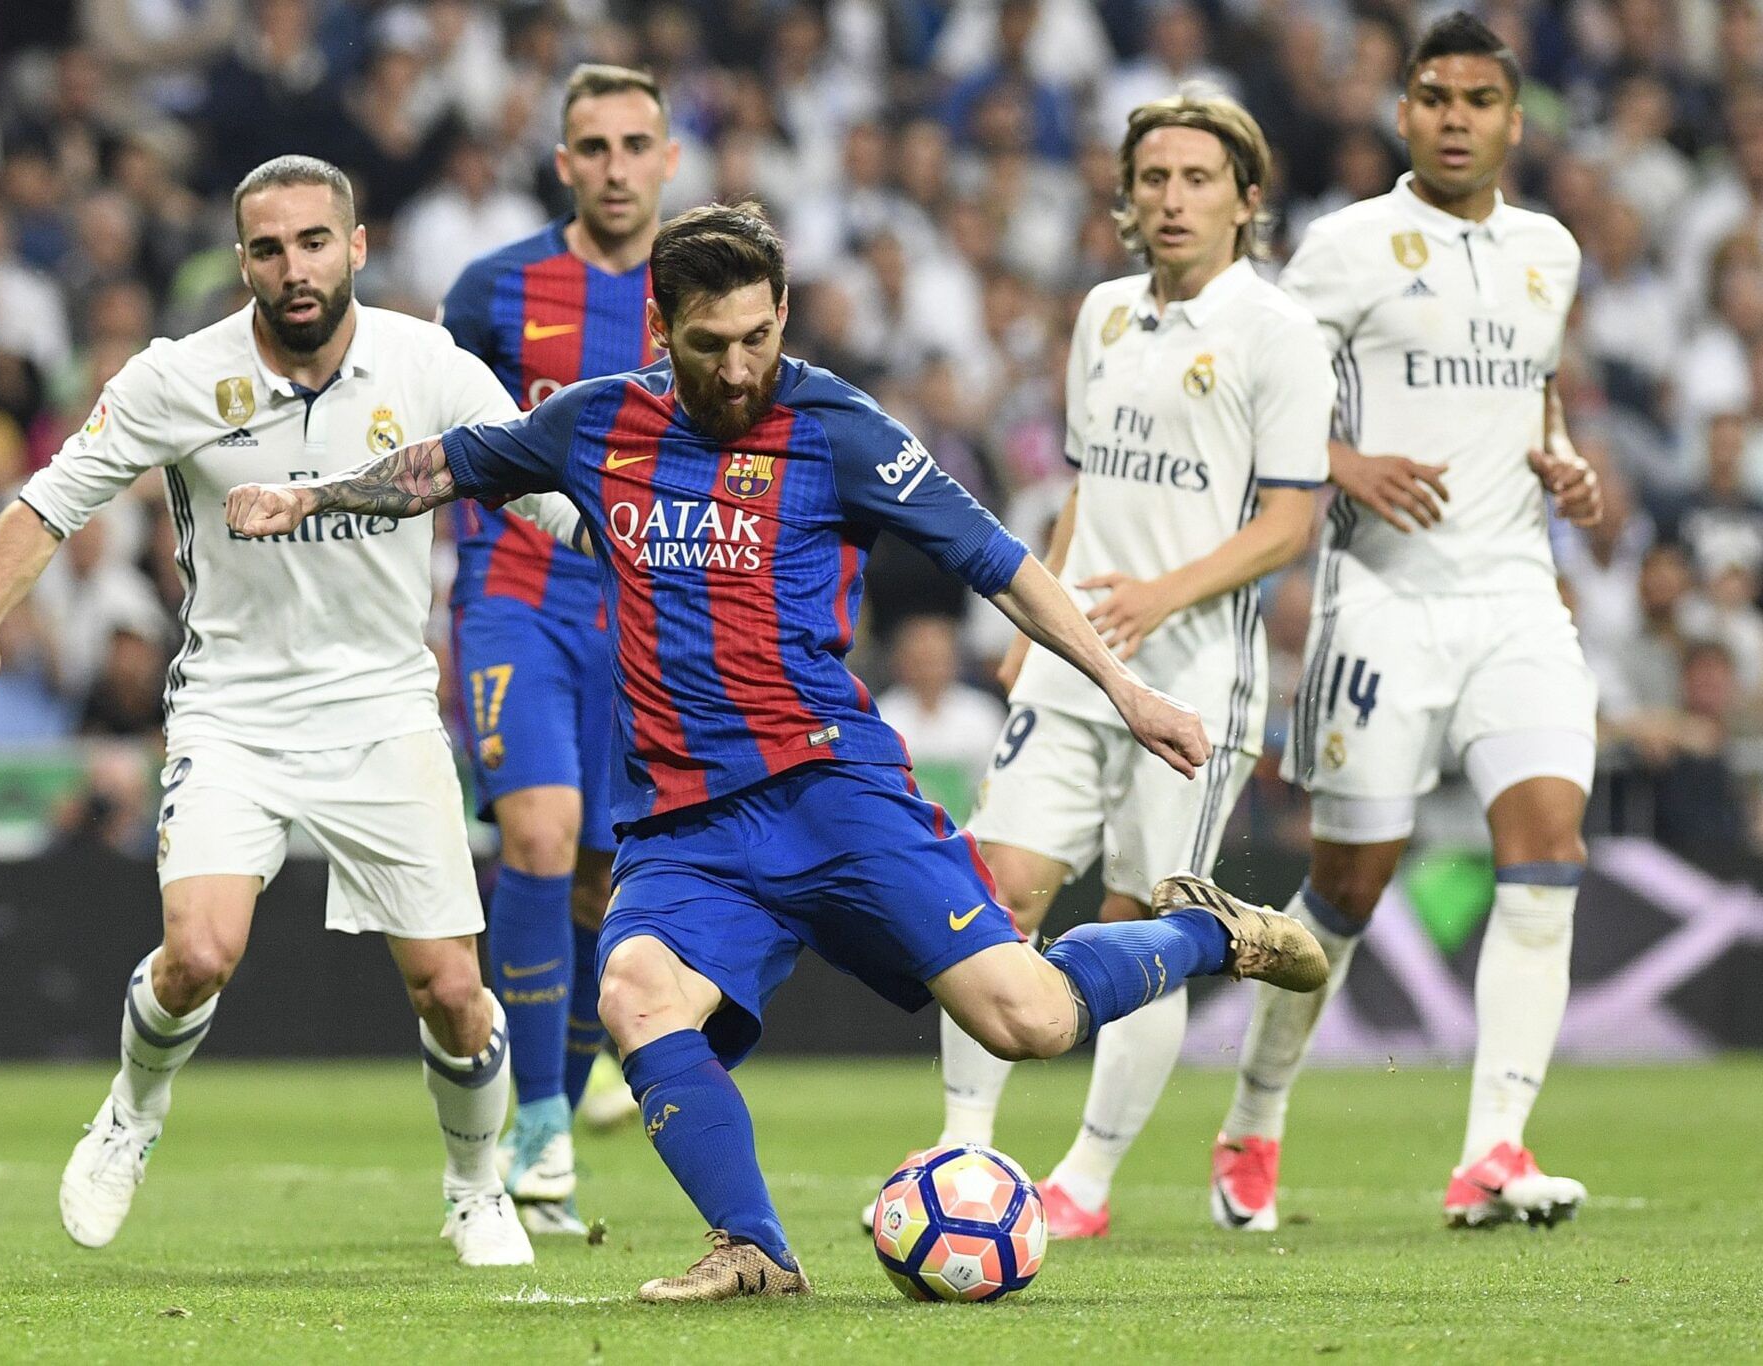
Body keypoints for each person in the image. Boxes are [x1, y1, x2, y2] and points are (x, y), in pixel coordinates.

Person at [223, 202, 1330, 1301]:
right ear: (659, 329)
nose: (741, 365)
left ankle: (1205, 932)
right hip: (686, 825)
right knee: (636, 994)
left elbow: (1000, 562)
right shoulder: (595, 423)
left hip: (831, 791)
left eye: (760, 337)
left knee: (1028, 1018)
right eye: (710, 345)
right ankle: (752, 1245)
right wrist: (310, 496)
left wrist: (1123, 688)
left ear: (783, 313)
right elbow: (444, 467)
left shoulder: (836, 426)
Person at [0, 155, 585, 1268]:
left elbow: (540, 492)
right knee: (198, 950)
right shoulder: (178, 377)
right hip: (234, 710)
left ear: (356, 247)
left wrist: (646, 546)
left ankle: (476, 1188)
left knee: (454, 994)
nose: (294, 268)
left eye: (313, 242)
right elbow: (47, 503)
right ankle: (131, 1114)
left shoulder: (422, 362)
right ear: (242, 262)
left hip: (382, 708)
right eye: (269, 249)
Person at [894, 93, 1331, 1240]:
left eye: (1197, 177)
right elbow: (1088, 479)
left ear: (1246, 198)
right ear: (1126, 197)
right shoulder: (1100, 314)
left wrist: (1156, 596)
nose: (1171, 197)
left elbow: (1289, 521)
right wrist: (1040, 607)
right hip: (1073, 659)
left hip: (1191, 674)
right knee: (990, 895)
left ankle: (1083, 1178)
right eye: (1152, 177)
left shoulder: (1277, 332)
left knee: (1146, 915)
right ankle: (965, 1148)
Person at [1210, 13, 1604, 1234]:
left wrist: (1561, 461)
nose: (1451, 117)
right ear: (1402, 114)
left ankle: (1490, 1150)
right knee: (1346, 889)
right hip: (1378, 602)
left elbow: (1530, 394)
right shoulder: (1346, 247)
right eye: (1431, 96)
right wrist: (1340, 459)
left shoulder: (1549, 252)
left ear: (1510, 120)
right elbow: (1242, 383)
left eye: (1475, 100)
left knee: (1545, 852)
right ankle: (1251, 1123)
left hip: (1511, 598)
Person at [437, 64, 678, 1234]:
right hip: (514, 595)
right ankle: (535, 1126)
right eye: (595, 145)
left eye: (637, 144)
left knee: (597, 874)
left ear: (668, 160)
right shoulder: (493, 291)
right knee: (533, 833)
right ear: (563, 162)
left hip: (644, 618)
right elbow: (435, 440)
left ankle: (559, 1080)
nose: (617, 165)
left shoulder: (708, 291)